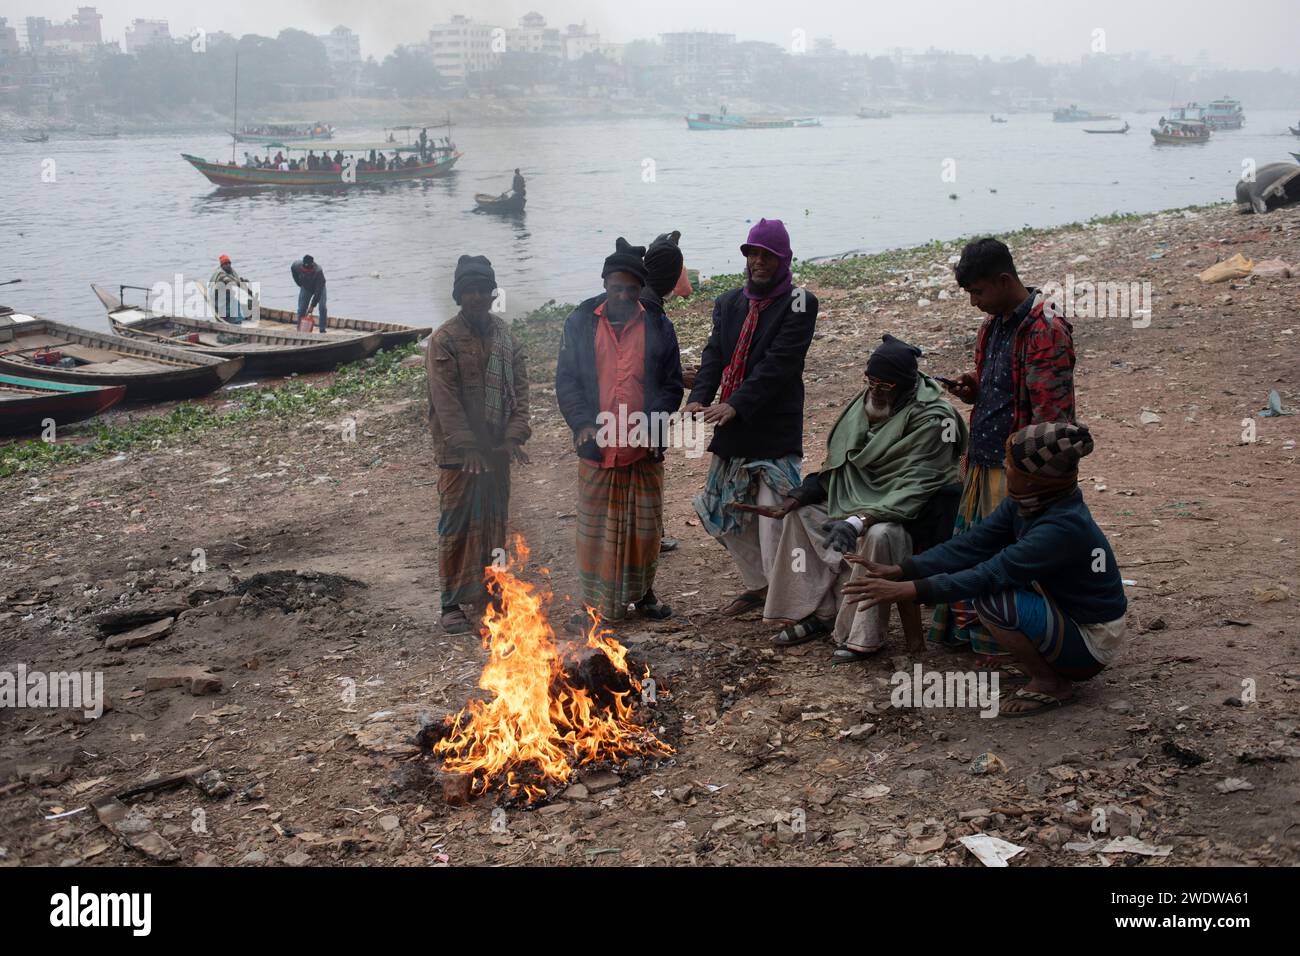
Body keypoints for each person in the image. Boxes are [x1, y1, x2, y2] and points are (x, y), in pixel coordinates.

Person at [843, 422, 1126, 717]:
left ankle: (1051, 683)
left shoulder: (1061, 526)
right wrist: (904, 569)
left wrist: (910, 589)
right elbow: (971, 544)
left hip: (1092, 639)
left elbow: (991, 573)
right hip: (1067, 615)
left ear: (1031, 479)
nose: (1004, 467)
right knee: (992, 591)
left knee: (993, 600)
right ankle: (1043, 662)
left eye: (1011, 465)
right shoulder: (1032, 502)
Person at [758, 335, 967, 662]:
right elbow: (843, 467)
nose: (875, 390)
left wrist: (858, 521)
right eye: (870, 381)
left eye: (884, 384)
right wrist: (796, 497)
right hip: (860, 501)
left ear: (906, 386)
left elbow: (917, 486)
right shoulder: (866, 403)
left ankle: (862, 637)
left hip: (915, 515)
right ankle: (818, 612)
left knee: (880, 536)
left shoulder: (935, 419)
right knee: (804, 515)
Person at [932, 237, 1076, 661]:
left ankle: (1018, 639)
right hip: (985, 460)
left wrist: (1037, 480)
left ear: (1004, 280)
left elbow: (1051, 419)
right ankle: (977, 632)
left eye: (978, 292)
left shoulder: (1045, 329)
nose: (974, 302)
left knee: (1011, 557)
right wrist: (971, 389)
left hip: (1018, 468)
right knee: (977, 547)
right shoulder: (993, 325)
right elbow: (997, 388)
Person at [685, 218, 818, 616]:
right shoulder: (729, 303)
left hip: (773, 425)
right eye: (752, 254)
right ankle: (761, 585)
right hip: (734, 425)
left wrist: (736, 403)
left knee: (772, 516)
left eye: (767, 256)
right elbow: (714, 354)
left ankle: (794, 600)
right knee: (721, 510)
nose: (758, 262)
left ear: (784, 260)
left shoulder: (800, 302)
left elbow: (780, 364)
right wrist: (699, 397)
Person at [555, 238, 684, 626]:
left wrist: (652, 424)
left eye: (631, 288)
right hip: (599, 446)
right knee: (596, 533)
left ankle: (643, 595)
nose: (623, 295)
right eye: (616, 287)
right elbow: (567, 381)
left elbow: (672, 384)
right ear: (605, 284)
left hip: (643, 448)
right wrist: (581, 424)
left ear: (640, 288)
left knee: (644, 532)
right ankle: (593, 606)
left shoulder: (658, 324)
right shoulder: (580, 322)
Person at [426, 255, 532, 635]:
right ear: (459, 295)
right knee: (456, 524)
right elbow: (445, 399)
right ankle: (450, 602)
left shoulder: (506, 337)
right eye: (469, 290)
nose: (476, 297)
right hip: (458, 454)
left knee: (494, 525)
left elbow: (520, 392)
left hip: (496, 450)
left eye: (482, 290)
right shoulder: (445, 339)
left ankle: (492, 591)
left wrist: (513, 436)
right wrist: (467, 445)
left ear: (491, 293)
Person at [209, 254, 253, 324]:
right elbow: (231, 282)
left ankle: (240, 315)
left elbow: (239, 283)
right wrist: (241, 283)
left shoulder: (231, 271)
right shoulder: (221, 274)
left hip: (227, 296)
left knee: (249, 302)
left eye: (229, 263)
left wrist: (251, 293)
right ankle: (236, 320)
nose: (228, 265)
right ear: (222, 265)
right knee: (235, 302)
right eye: (225, 264)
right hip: (218, 300)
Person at [290, 255, 327, 333]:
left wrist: (312, 306)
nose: (306, 270)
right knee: (301, 309)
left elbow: (318, 292)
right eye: (305, 269)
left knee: (322, 307)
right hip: (306, 288)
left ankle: (322, 330)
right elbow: (293, 269)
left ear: (312, 266)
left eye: (308, 269)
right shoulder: (297, 265)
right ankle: (299, 330)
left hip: (320, 288)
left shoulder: (318, 271)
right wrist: (299, 283)